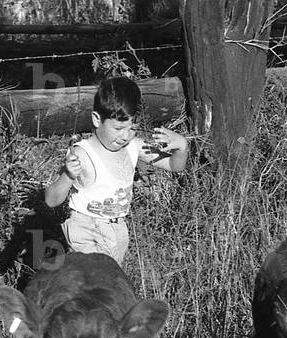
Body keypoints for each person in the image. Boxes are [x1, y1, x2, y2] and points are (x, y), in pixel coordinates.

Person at [45, 76, 189, 264]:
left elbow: (174, 166)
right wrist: (67, 176)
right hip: (87, 229)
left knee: (109, 287)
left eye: (132, 128)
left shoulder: (134, 146)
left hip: (117, 230)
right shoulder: (82, 154)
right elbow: (51, 200)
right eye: (119, 128)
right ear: (97, 119)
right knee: (95, 281)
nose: (125, 136)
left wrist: (182, 147)